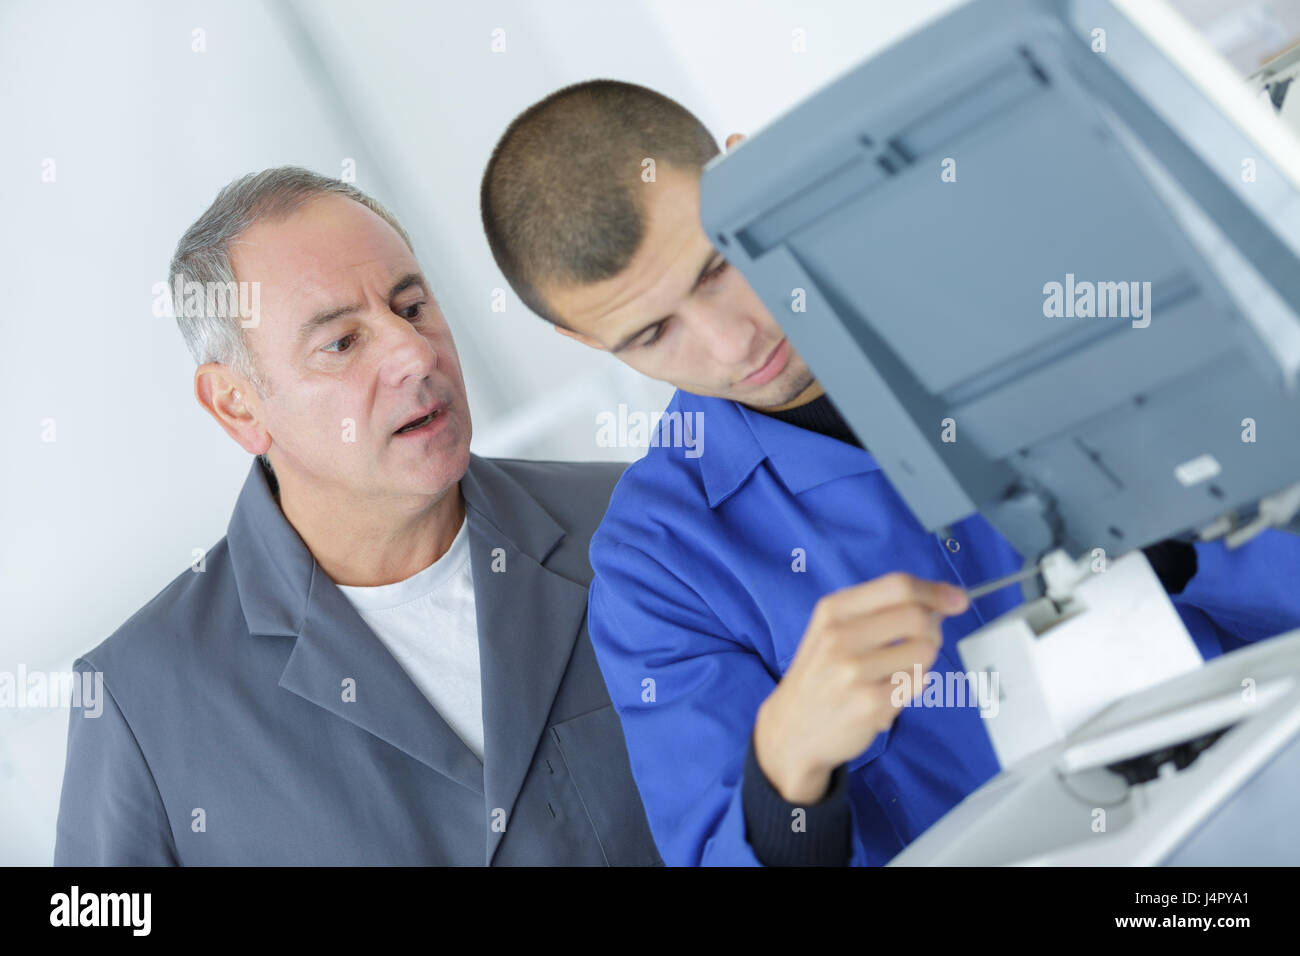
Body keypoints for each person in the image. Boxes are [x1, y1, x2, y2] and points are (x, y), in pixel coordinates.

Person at [480, 79, 1300, 865]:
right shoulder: (654, 569)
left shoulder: (1043, 304)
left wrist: (1183, 537)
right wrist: (786, 770)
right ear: (585, 342)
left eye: (716, 266)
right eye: (652, 334)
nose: (734, 345)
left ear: (748, 177)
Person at [54, 167, 660, 866]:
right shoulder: (141, 700)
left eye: (410, 307)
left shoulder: (635, 526)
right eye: (341, 343)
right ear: (237, 405)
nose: (414, 352)